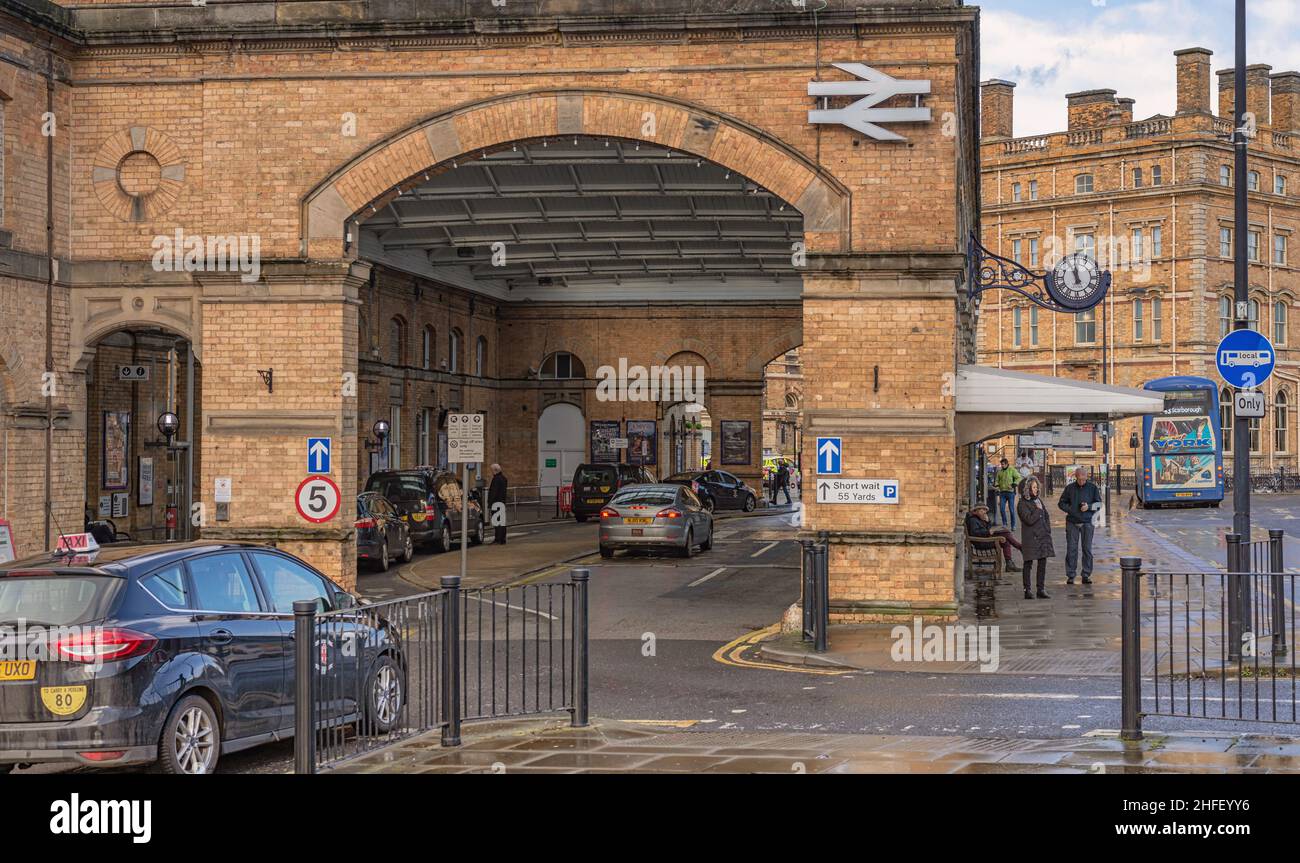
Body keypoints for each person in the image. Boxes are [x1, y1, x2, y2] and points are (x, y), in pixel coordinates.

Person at [1057, 466, 1101, 585]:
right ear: (1076, 477)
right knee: (1072, 549)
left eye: (1084, 479)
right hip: (1072, 522)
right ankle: (1071, 575)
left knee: (1087, 549)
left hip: (1087, 522)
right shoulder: (1070, 488)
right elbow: (1061, 503)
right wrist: (1070, 509)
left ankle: (1086, 574)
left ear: (1087, 477)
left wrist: (1089, 507)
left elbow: (1099, 504)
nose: (1082, 481)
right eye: (1079, 479)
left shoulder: (1092, 488)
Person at [1016, 477, 1054, 599]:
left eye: (1037, 487)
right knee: (1028, 563)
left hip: (1042, 536)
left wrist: (1047, 529)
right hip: (1031, 538)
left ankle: (1040, 589)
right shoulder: (1022, 504)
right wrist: (1038, 510)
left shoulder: (1038, 500)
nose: (1036, 489)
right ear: (1027, 489)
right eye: (1033, 487)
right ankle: (1027, 590)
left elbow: (1046, 515)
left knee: (1042, 563)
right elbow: (1029, 519)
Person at [964, 503, 1021, 570]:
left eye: (985, 510)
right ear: (976, 511)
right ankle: (1019, 547)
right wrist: (988, 532)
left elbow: (987, 529)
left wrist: (987, 522)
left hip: (985, 539)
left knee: (1005, 540)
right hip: (981, 543)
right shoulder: (973, 520)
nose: (984, 512)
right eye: (982, 510)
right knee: (1005, 534)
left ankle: (1009, 564)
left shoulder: (980, 518)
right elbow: (975, 533)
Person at [994, 458, 1020, 528]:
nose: (1002, 466)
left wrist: (1014, 484)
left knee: (1011, 510)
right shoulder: (1000, 472)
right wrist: (996, 484)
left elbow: (1018, 477)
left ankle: (1013, 525)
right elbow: (997, 480)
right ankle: (1004, 523)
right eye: (1001, 464)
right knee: (1002, 509)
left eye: (1003, 464)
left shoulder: (1012, 470)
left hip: (1010, 493)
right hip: (1002, 493)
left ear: (1006, 464)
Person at [488, 463, 508, 545]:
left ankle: (498, 539)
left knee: (497, 522)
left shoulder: (496, 479)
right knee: (502, 521)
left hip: (496, 503)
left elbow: (494, 492)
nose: (491, 472)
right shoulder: (504, 478)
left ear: (495, 470)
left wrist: (490, 503)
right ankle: (502, 539)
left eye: (492, 470)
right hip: (502, 502)